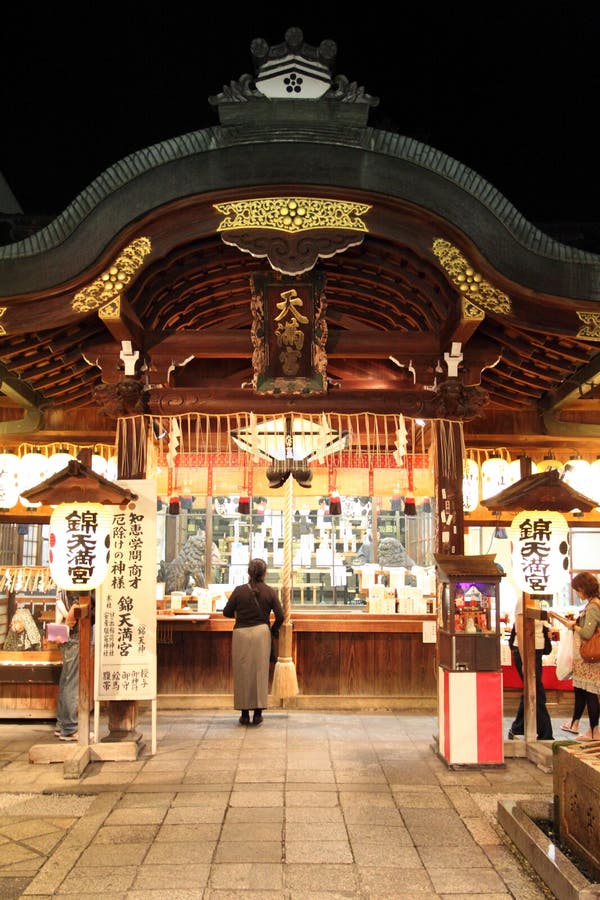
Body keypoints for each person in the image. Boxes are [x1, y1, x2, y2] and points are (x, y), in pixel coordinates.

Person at [222, 558, 284, 726]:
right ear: (265, 574)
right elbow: (280, 615)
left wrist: (239, 614)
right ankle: (257, 714)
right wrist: (273, 630)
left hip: (241, 634)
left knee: (242, 672)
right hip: (261, 634)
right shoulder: (270, 592)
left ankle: (244, 714)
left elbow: (226, 612)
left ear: (248, 573)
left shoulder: (239, 591)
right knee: (260, 673)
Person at [549, 572, 600, 742]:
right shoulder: (593, 604)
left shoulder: (593, 606)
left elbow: (586, 633)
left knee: (591, 693)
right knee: (586, 691)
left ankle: (594, 732)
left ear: (584, 588)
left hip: (589, 659)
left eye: (578, 590)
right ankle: (584, 727)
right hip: (587, 659)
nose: (578, 594)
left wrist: (575, 627)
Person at [508, 595, 554, 741]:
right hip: (526, 650)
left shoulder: (537, 600)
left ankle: (517, 727)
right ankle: (546, 734)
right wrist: (524, 659)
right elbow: (521, 631)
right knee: (536, 690)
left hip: (537, 649)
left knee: (532, 689)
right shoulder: (523, 600)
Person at [54, 589, 95, 742]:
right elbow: (76, 608)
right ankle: (70, 728)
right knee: (72, 682)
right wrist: (76, 606)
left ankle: (62, 725)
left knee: (67, 680)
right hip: (76, 633)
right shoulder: (76, 585)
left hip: (67, 633)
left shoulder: (63, 582)